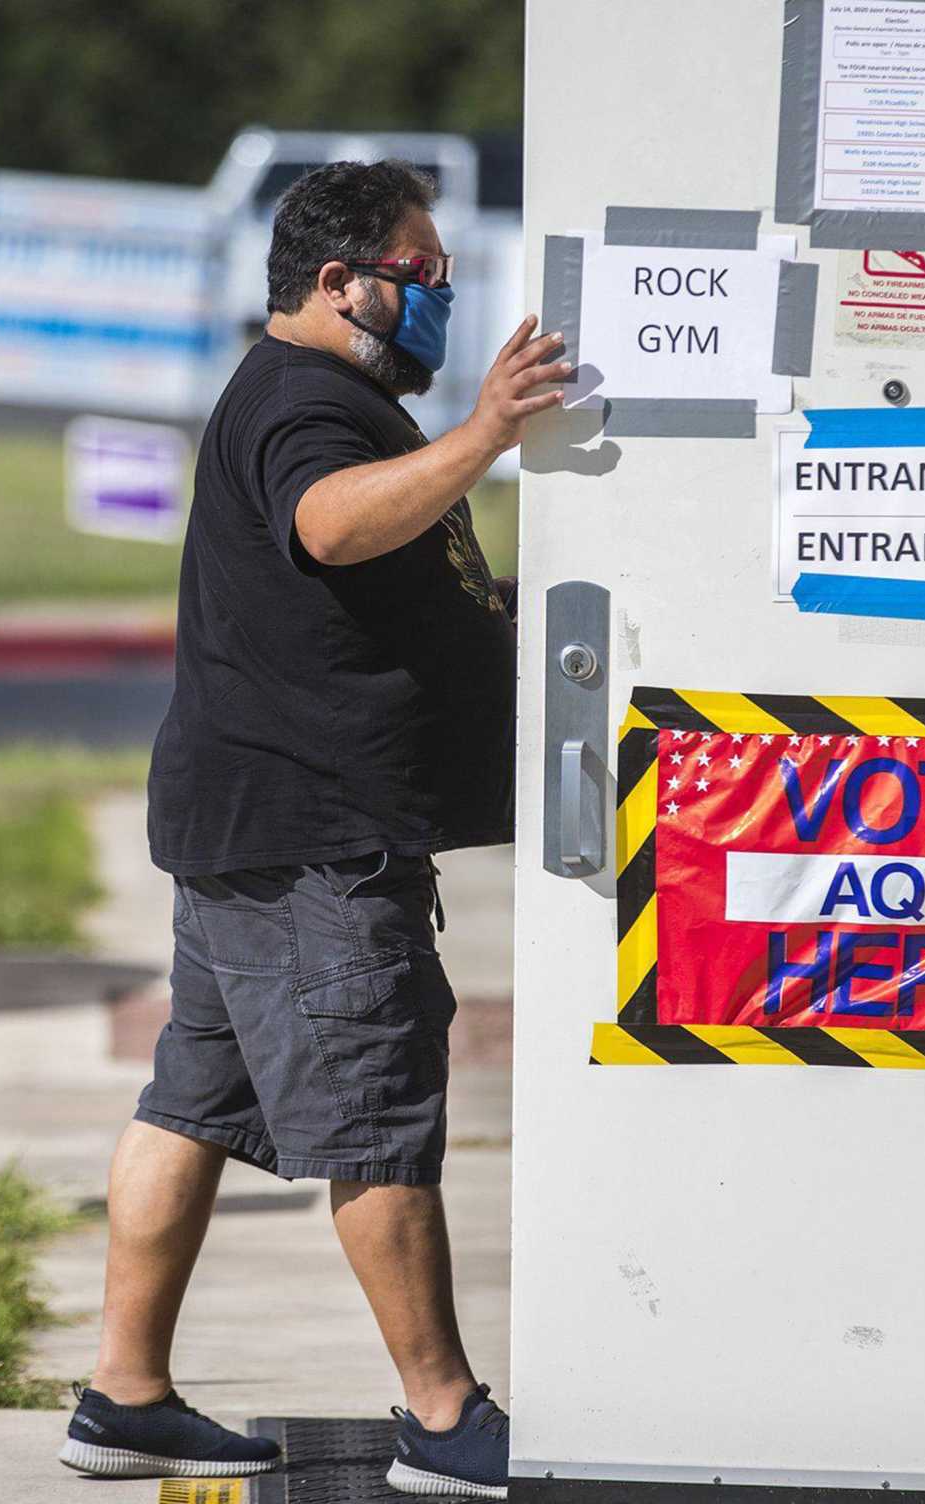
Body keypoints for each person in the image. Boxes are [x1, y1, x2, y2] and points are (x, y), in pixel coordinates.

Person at [56, 160, 569, 1498]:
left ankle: (123, 1395)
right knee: (377, 1118)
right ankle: (445, 1418)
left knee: (191, 1104)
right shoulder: (306, 402)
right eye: (420, 274)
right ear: (339, 283)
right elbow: (328, 528)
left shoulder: (314, 395)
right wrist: (484, 435)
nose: (439, 296)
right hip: (309, 845)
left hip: (249, 827)